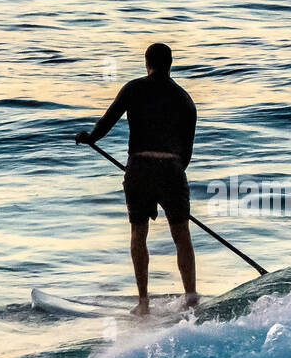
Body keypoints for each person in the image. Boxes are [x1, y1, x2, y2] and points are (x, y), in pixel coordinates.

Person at [75, 43, 198, 314]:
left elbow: (107, 121)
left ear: (147, 62)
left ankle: (143, 302)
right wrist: (172, 173)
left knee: (138, 232)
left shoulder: (134, 88)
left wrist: (89, 138)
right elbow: (186, 152)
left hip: (140, 167)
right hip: (172, 168)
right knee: (181, 235)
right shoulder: (185, 99)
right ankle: (191, 297)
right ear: (170, 64)